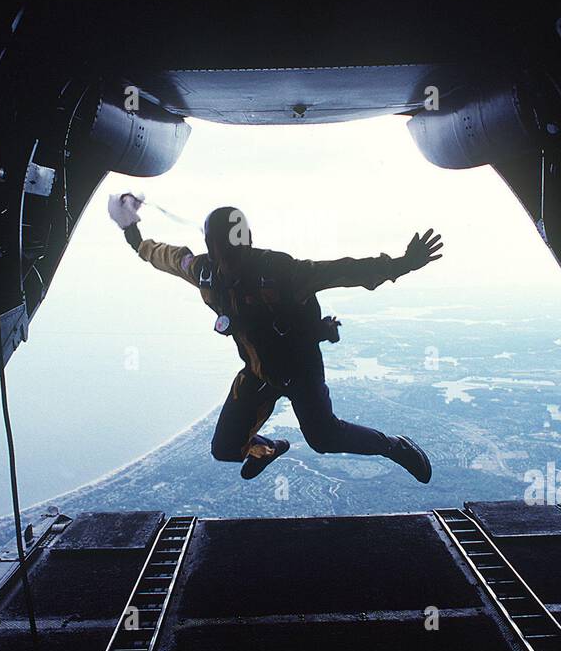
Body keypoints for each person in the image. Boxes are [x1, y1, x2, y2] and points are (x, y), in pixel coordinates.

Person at [107, 193, 443, 482]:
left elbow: (344, 270)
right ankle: (267, 450)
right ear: (212, 247)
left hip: (300, 370)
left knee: (324, 437)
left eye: (239, 248)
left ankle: (393, 447)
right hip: (258, 373)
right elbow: (164, 255)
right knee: (225, 449)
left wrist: (403, 264)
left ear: (248, 241)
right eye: (228, 249)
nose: (236, 256)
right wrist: (130, 230)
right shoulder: (206, 272)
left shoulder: (279, 270)